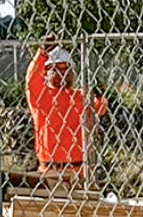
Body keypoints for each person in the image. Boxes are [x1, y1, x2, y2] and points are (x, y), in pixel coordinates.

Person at [26, 41, 107, 176]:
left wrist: (99, 96)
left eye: (66, 69)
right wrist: (41, 53)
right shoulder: (41, 96)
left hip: (79, 170)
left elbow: (100, 108)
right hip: (50, 170)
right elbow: (31, 79)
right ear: (47, 72)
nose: (63, 73)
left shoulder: (80, 97)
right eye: (57, 69)